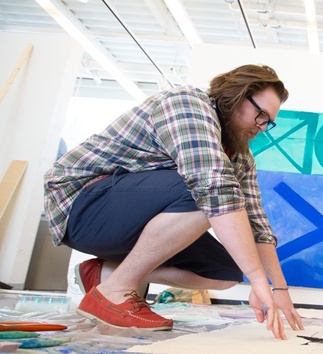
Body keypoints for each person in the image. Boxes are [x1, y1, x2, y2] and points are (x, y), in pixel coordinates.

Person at [44, 64, 303, 339]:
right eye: (260, 115)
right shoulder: (187, 105)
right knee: (207, 188)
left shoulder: (241, 157)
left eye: (268, 122)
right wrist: (258, 279)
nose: (261, 127)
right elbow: (211, 185)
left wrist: (279, 289)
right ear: (236, 95)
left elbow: (257, 225)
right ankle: (115, 291)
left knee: (226, 272)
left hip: (125, 224)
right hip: (81, 206)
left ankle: (109, 272)